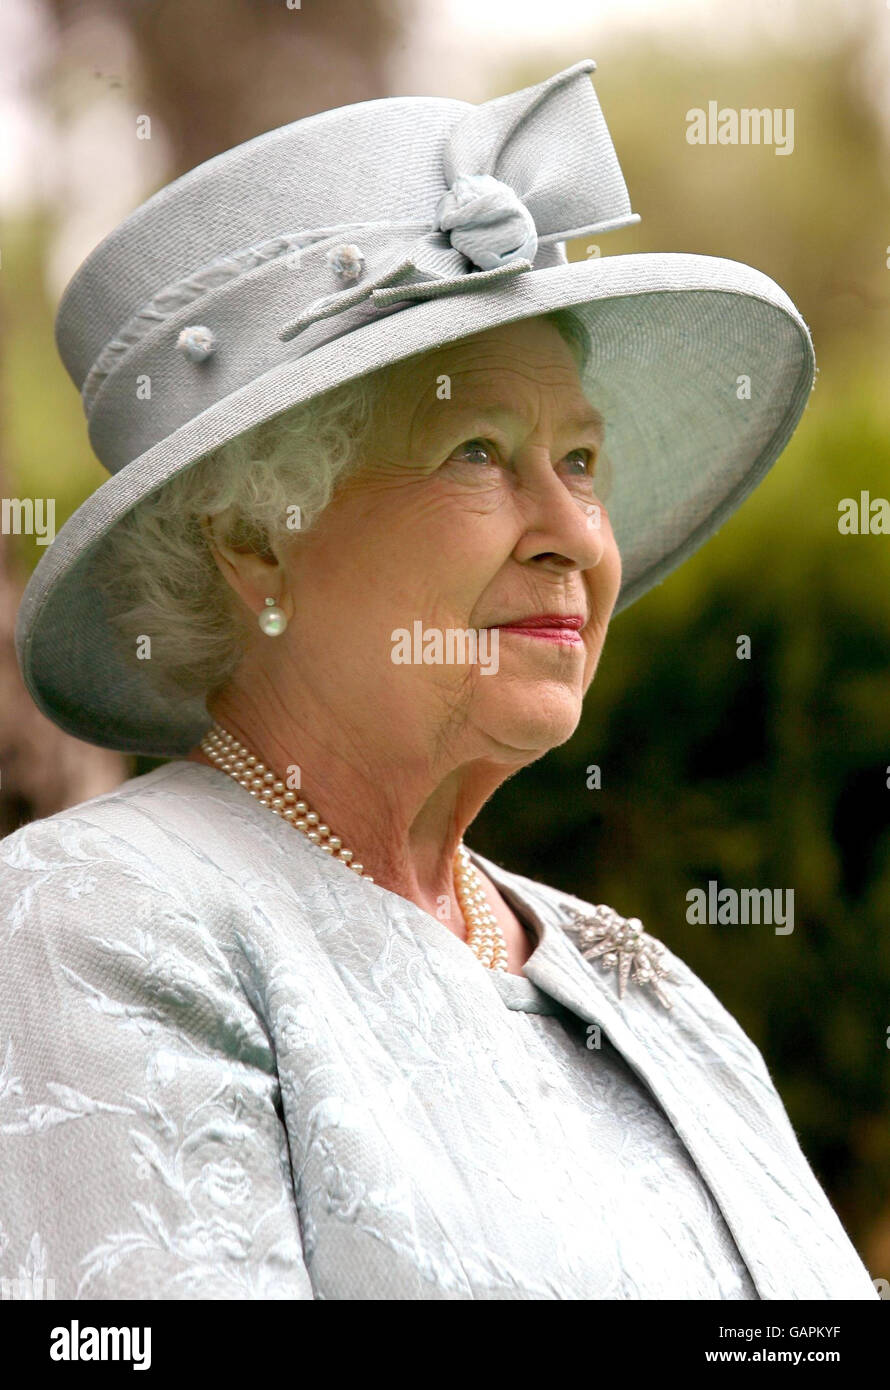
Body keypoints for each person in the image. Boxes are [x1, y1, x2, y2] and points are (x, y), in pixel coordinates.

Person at [0, 59, 877, 1300]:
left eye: (579, 459)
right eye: (477, 451)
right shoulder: (90, 922)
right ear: (254, 537)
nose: (571, 532)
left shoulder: (644, 988)